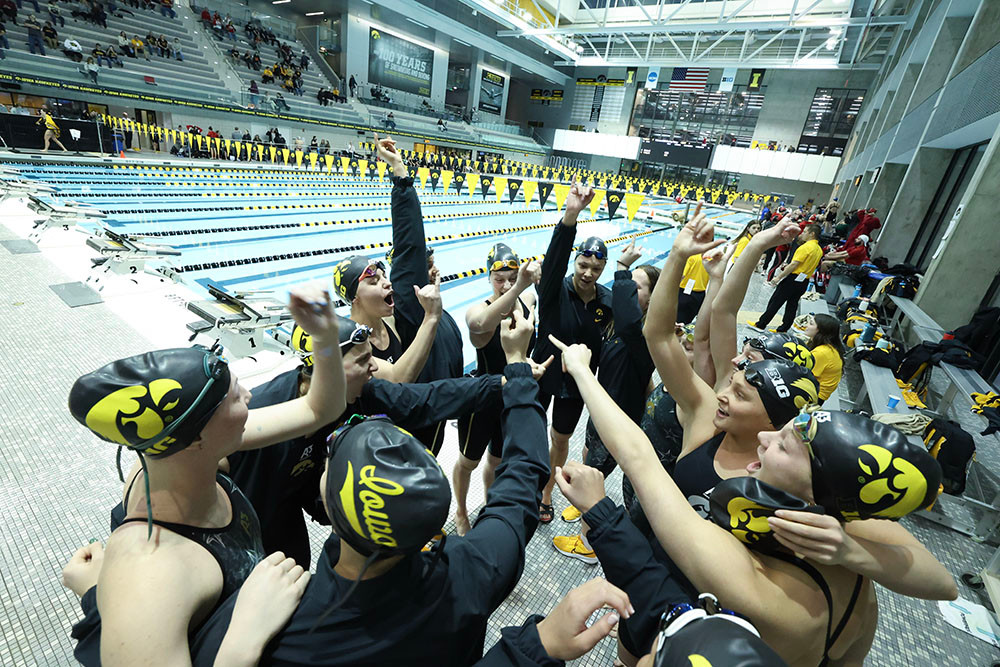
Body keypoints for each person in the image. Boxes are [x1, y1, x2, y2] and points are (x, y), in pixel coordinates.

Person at [187, 306, 553, 667]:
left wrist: (500, 383)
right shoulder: (261, 418)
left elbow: (428, 399)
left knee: (287, 585)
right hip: (260, 519)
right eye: (363, 361)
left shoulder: (362, 394)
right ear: (325, 366)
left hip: (318, 518)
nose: (375, 367)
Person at [62, 285, 347, 665]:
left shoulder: (185, 454)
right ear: (197, 437)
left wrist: (325, 338)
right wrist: (245, 635)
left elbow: (320, 408)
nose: (249, 395)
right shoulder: (149, 572)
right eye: (233, 396)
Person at [553, 240, 660, 562]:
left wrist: (623, 269)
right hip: (601, 410)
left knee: (593, 480)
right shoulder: (620, 326)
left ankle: (587, 544)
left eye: (635, 287)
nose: (623, 290)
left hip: (617, 419)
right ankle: (583, 514)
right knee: (588, 457)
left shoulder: (642, 332)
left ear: (652, 298)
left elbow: (628, 321)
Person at [371, 134, 467, 453]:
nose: (433, 269)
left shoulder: (443, 319)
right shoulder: (412, 310)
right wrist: (399, 172)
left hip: (432, 427)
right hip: (415, 430)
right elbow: (409, 244)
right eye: (426, 265)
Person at [530, 182, 608, 524]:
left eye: (595, 269)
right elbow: (556, 257)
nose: (588, 274)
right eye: (582, 266)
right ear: (575, 263)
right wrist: (570, 216)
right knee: (529, 432)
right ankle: (523, 485)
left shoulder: (607, 303)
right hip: (541, 371)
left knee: (560, 440)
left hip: (576, 385)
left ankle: (547, 492)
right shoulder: (553, 291)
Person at [454, 243, 541, 535]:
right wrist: (517, 288)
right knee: (468, 462)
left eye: (511, 277)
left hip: (511, 399)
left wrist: (530, 364)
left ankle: (492, 509)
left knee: (496, 460)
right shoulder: (480, 311)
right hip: (482, 399)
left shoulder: (528, 299)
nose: (505, 285)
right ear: (489, 279)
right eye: (498, 279)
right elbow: (478, 324)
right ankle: (462, 511)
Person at [751, 223, 823, 333]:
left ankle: (761, 324)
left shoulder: (806, 247)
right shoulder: (819, 249)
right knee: (792, 305)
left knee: (776, 301)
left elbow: (794, 264)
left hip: (793, 279)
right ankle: (783, 329)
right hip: (804, 281)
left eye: (805, 232)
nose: (802, 234)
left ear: (812, 234)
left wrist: (778, 277)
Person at [801, 313, 844, 403]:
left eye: (811, 323)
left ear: (821, 331)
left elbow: (804, 374)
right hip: (815, 389)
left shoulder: (822, 353)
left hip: (815, 395)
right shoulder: (826, 346)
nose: (806, 325)